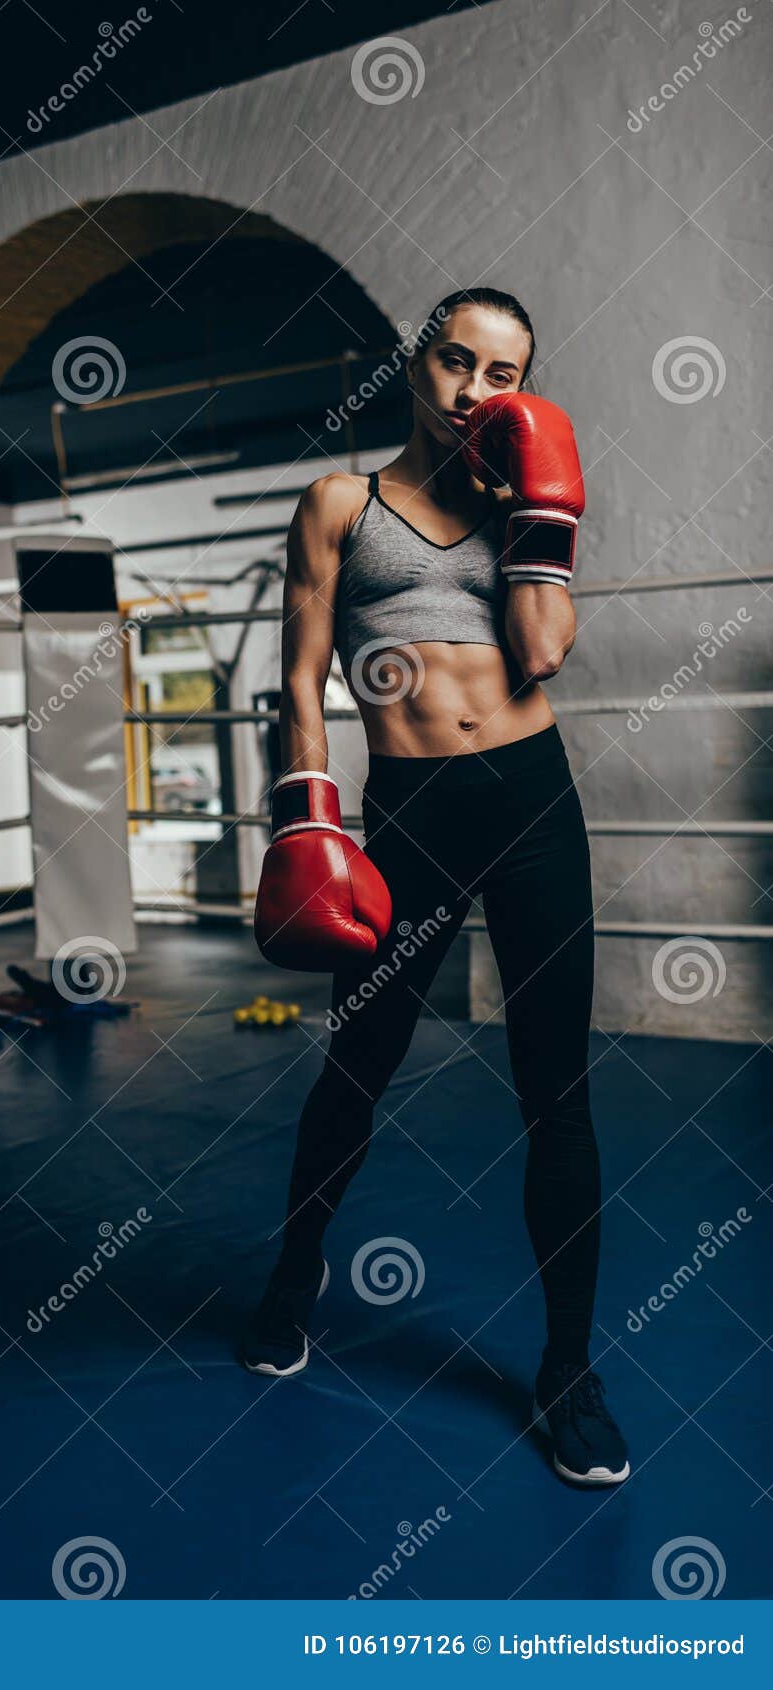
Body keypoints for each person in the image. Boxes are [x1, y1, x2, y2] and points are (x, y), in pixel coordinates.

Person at [241, 287, 629, 1488]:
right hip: (408, 811)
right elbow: (304, 678)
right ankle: (293, 1276)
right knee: (357, 1066)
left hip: (529, 800)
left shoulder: (531, 499)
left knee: (554, 1093)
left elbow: (546, 650)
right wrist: (308, 812)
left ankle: (568, 1371)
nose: (474, 389)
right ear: (418, 364)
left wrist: (539, 513)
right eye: (456, 361)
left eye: (502, 373)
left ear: (523, 388)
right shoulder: (340, 504)